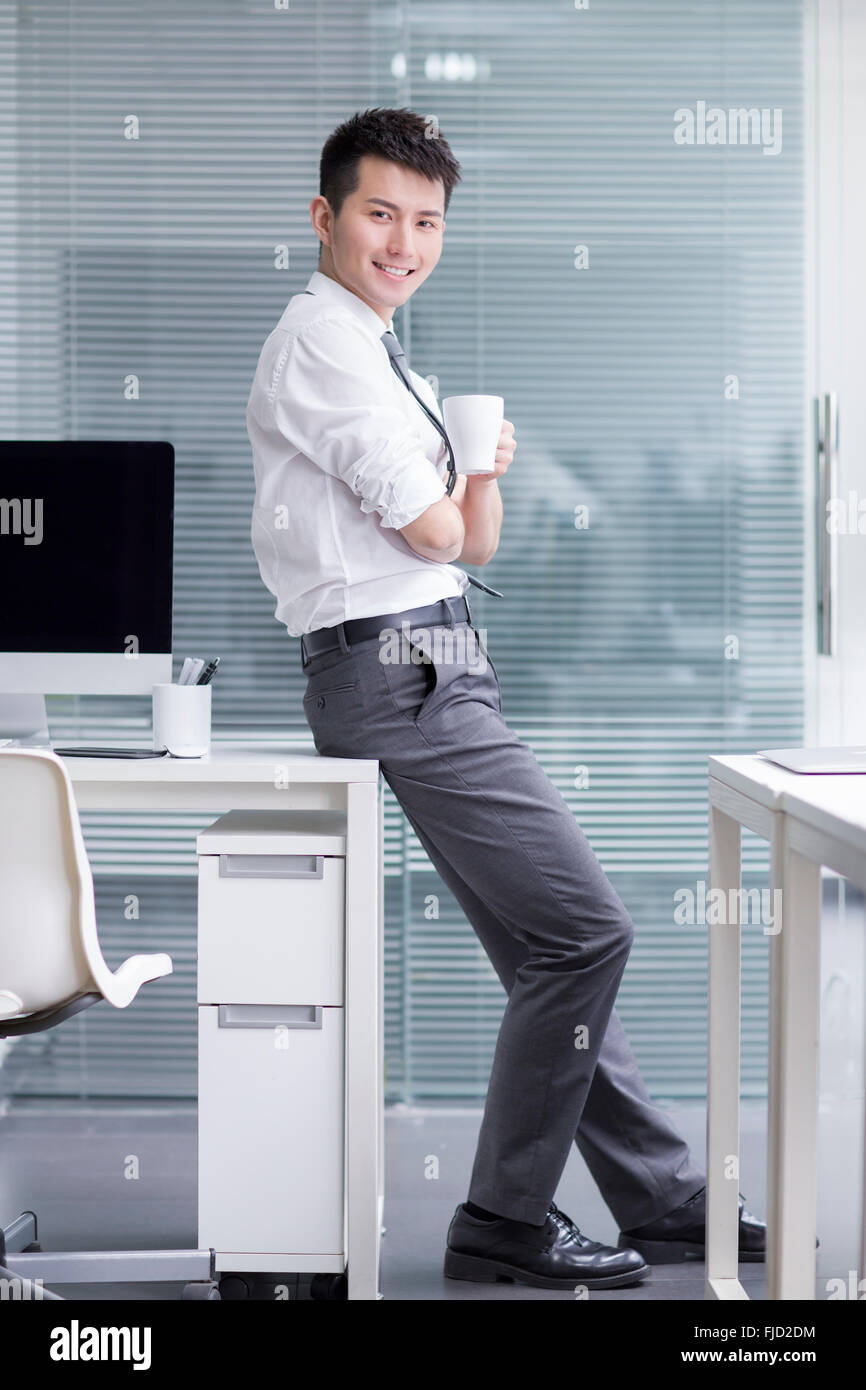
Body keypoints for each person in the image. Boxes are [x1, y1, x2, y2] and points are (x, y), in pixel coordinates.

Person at [245, 106, 765, 1291]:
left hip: (432, 663)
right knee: (587, 930)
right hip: (398, 674)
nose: (403, 241)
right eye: (379, 213)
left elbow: (472, 542)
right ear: (324, 219)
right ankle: (501, 1220)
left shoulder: (385, 355)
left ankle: (659, 1197)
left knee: (555, 945)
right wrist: (461, 485)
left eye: (426, 221)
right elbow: (436, 526)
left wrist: (473, 471)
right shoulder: (322, 342)